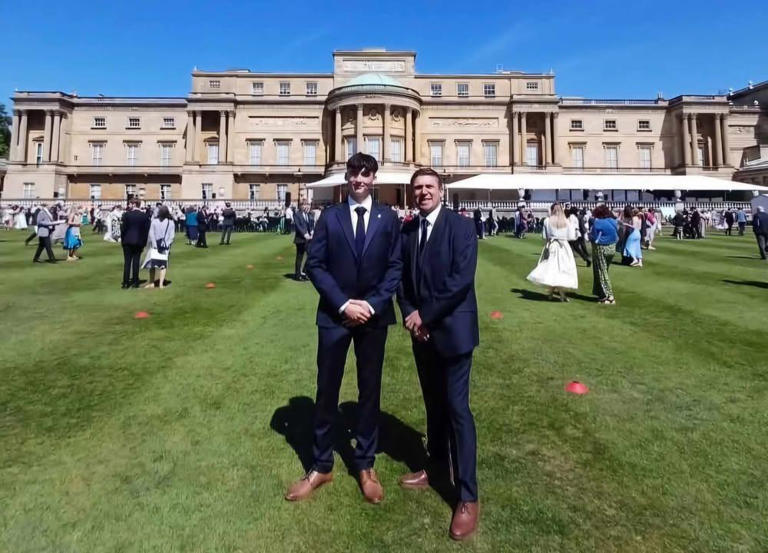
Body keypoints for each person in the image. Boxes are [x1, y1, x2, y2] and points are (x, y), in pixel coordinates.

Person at [284, 153, 402, 504]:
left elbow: (395, 266)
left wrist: (371, 305)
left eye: (365, 174)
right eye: (354, 174)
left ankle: (365, 464)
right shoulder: (330, 216)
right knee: (326, 391)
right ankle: (321, 465)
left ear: (374, 179)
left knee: (369, 392)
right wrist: (343, 304)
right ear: (347, 177)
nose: (359, 180)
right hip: (334, 317)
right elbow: (316, 265)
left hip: (373, 317)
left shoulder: (388, 218)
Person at [396, 168, 480, 540]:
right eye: (417, 188)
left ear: (441, 191)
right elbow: (402, 281)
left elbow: (460, 281)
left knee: (457, 410)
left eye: (429, 186)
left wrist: (424, 315)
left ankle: (467, 496)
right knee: (433, 406)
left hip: (453, 332)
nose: (423, 192)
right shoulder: (408, 231)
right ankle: (436, 467)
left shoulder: (461, 228)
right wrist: (411, 315)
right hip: (422, 333)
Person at [527, 203, 579, 301]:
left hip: (552, 245)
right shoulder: (566, 221)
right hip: (563, 246)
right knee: (561, 269)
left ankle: (552, 294)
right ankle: (561, 295)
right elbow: (571, 237)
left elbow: (544, 236)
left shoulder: (547, 221)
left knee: (553, 269)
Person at [589, 204, 619, 305]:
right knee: (604, 270)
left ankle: (609, 296)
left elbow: (593, 237)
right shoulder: (613, 221)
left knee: (602, 272)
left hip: (601, 248)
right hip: (612, 247)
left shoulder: (598, 223)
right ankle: (602, 294)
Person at [142, 205, 175, 288]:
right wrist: (167, 244)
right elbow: (172, 236)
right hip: (164, 246)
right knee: (163, 265)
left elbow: (151, 233)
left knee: (152, 265)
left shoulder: (154, 221)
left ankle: (152, 282)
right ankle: (161, 284)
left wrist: (154, 244)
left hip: (155, 246)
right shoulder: (171, 222)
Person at [120, 199, 150, 288]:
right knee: (136, 261)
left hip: (127, 240)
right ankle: (135, 281)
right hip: (139, 241)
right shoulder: (144, 216)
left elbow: (123, 229)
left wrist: (123, 240)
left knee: (127, 262)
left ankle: (125, 282)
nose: (129, 205)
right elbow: (146, 231)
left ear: (134, 204)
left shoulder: (126, 215)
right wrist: (144, 242)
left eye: (130, 204)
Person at [292, 199, 314, 281]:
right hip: (300, 239)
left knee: (311, 255)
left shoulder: (308, 214)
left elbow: (311, 225)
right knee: (299, 257)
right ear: (300, 206)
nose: (306, 206)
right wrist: (305, 234)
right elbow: (298, 226)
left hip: (308, 239)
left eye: (307, 204)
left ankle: (305, 271)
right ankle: (298, 275)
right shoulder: (297, 214)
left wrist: (312, 231)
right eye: (304, 204)